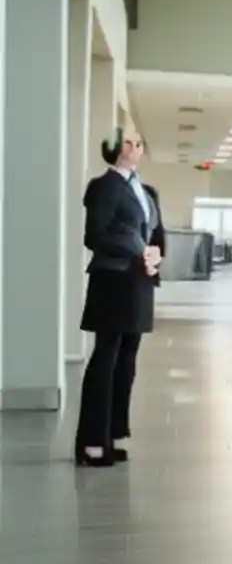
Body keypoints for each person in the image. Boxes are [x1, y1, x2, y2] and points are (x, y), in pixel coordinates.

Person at [74, 127, 165, 467]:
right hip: (112, 279)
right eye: (128, 141)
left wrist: (155, 256)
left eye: (139, 142)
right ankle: (91, 442)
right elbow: (95, 235)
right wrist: (137, 251)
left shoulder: (147, 191)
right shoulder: (103, 186)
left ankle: (111, 435)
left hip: (138, 281)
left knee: (127, 359)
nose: (134, 146)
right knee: (106, 357)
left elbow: (154, 233)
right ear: (112, 148)